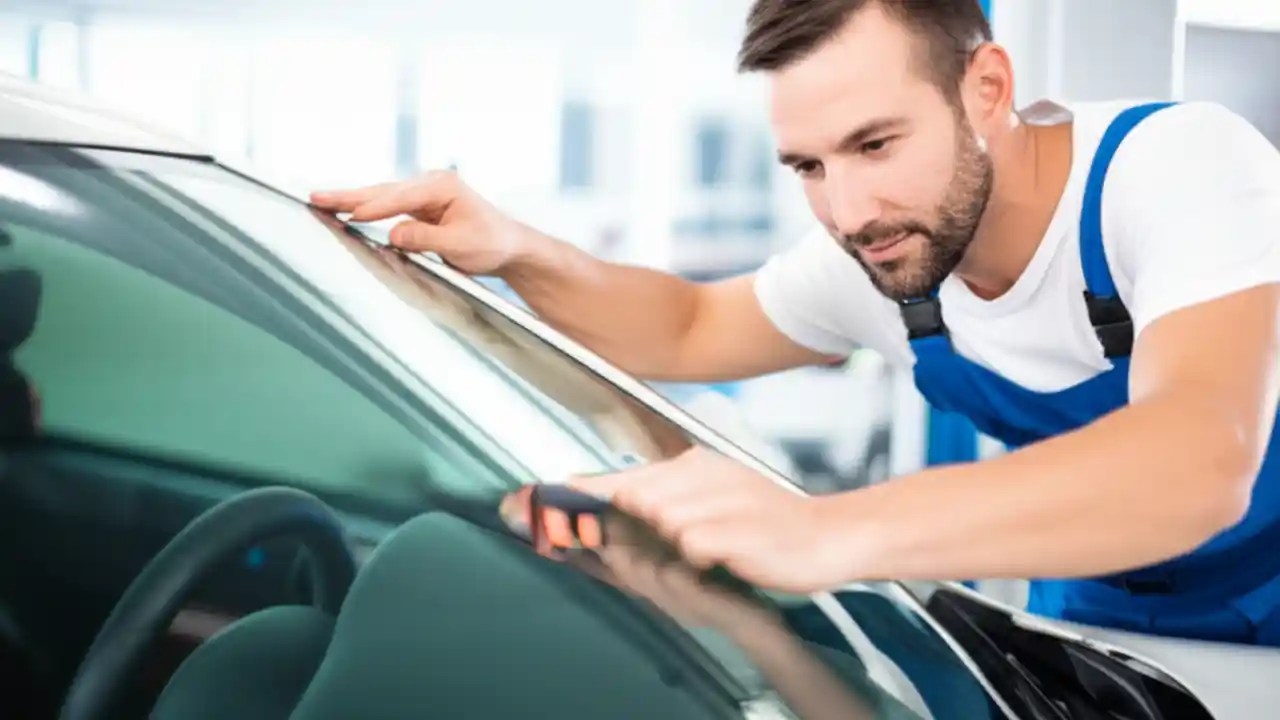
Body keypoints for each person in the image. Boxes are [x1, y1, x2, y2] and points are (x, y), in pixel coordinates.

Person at [312, 0, 1280, 645]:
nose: (848, 211)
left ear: (985, 90)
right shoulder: (894, 253)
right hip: (1100, 613)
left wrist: (826, 534)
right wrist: (519, 250)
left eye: (874, 143)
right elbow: (686, 329)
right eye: (808, 167)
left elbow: (1199, 458)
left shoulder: (1176, 167)